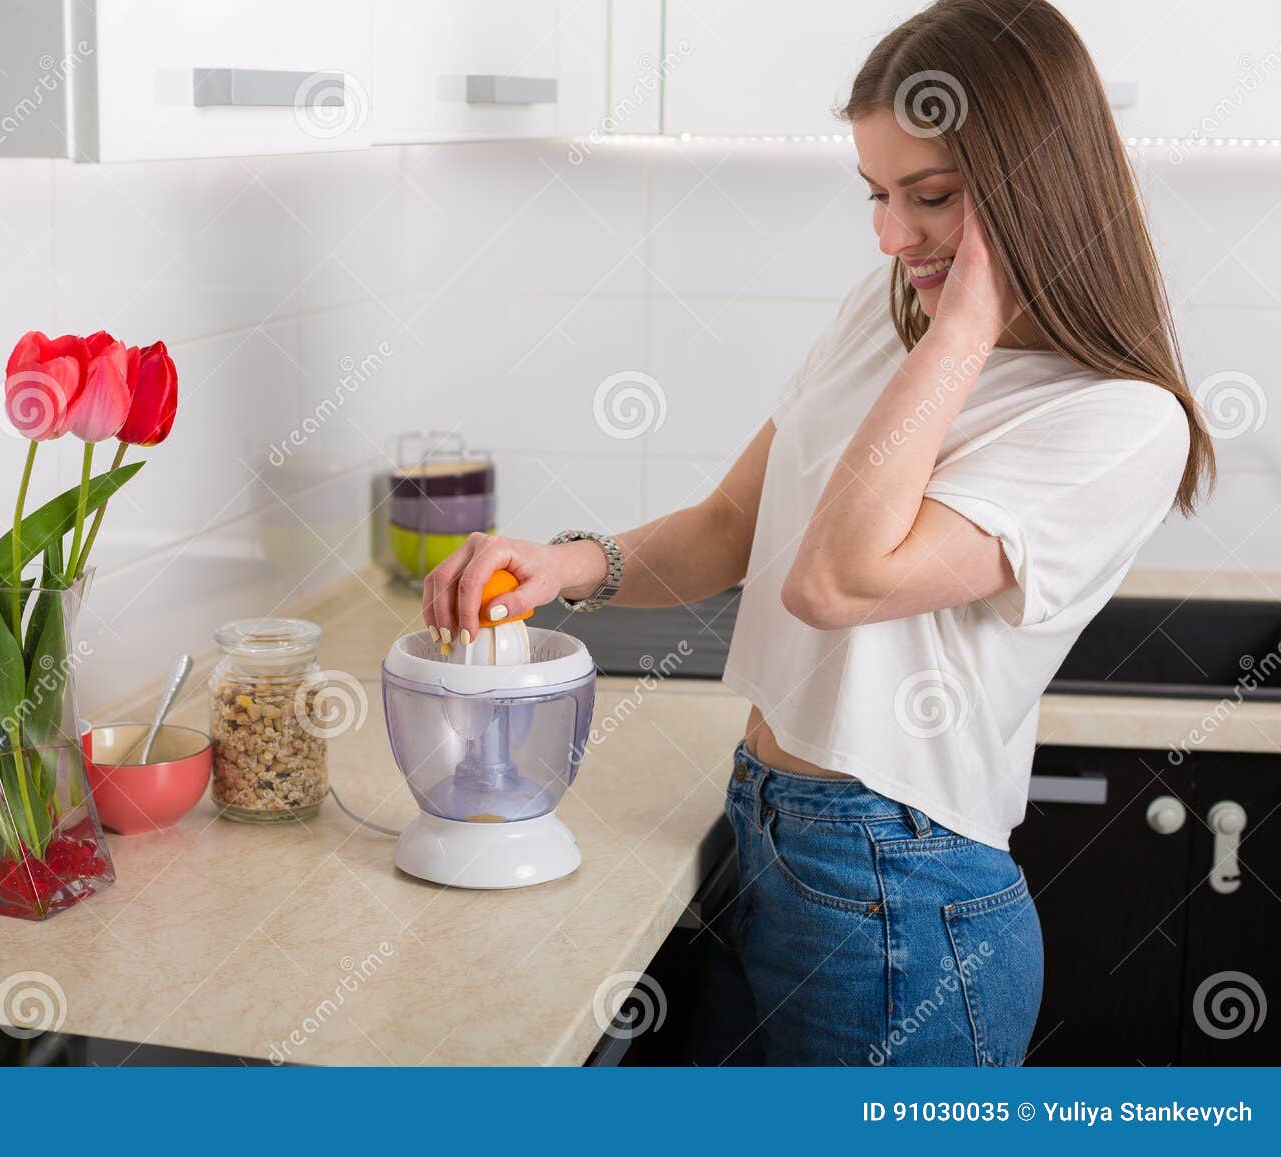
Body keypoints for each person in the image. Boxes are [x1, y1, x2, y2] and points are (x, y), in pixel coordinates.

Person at [420, 0, 1213, 1066]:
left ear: (1035, 189)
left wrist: (968, 326)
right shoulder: (878, 315)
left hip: (902, 892)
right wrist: (564, 564)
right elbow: (731, 525)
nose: (891, 235)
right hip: (766, 830)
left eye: (929, 197)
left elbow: (835, 580)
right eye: (877, 195)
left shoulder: (1114, 418)